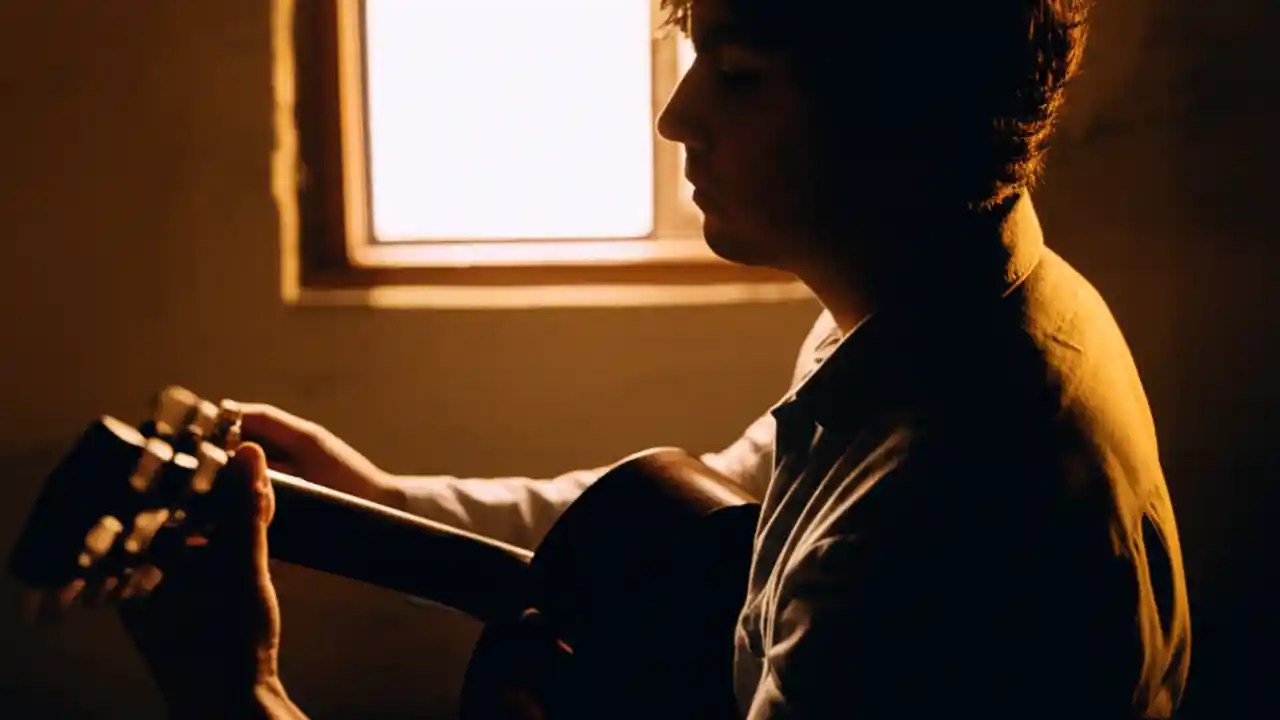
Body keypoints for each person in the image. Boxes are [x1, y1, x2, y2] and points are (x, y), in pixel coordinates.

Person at [108, 0, 1194, 717]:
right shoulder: (940, 309)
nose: (678, 116)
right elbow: (712, 503)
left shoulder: (932, 517)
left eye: (734, 75)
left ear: (900, 108)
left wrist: (239, 693)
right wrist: (382, 499)